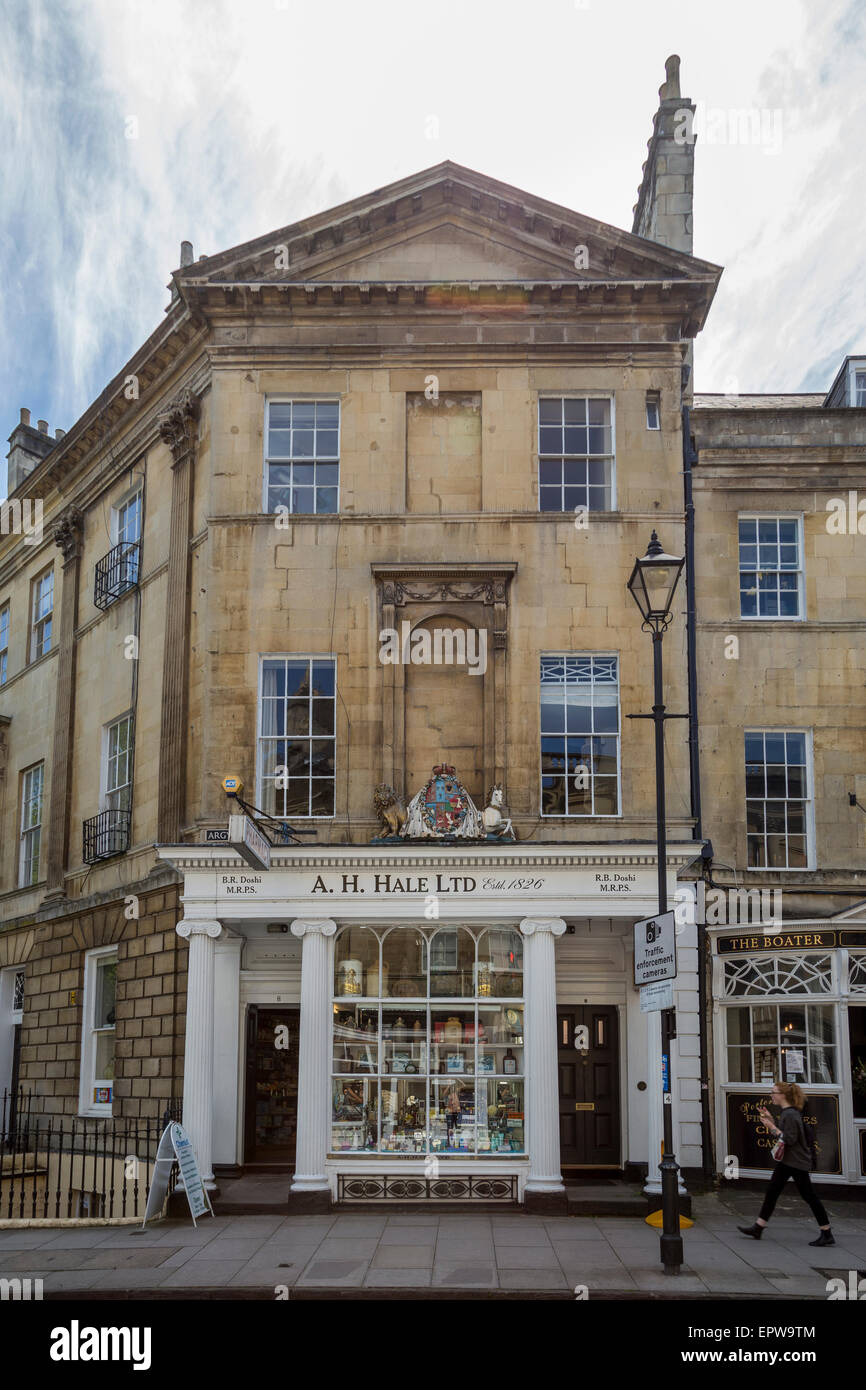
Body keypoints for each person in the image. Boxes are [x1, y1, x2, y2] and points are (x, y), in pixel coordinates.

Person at [738, 1081, 834, 1246]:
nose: (771, 1095)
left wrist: (771, 1126)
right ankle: (758, 1227)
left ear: (783, 1095)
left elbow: (789, 1139)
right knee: (772, 1192)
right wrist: (770, 1120)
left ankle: (827, 1232)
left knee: (809, 1196)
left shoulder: (790, 1114)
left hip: (796, 1162)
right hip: (789, 1161)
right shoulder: (788, 1113)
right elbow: (787, 1135)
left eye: (773, 1092)